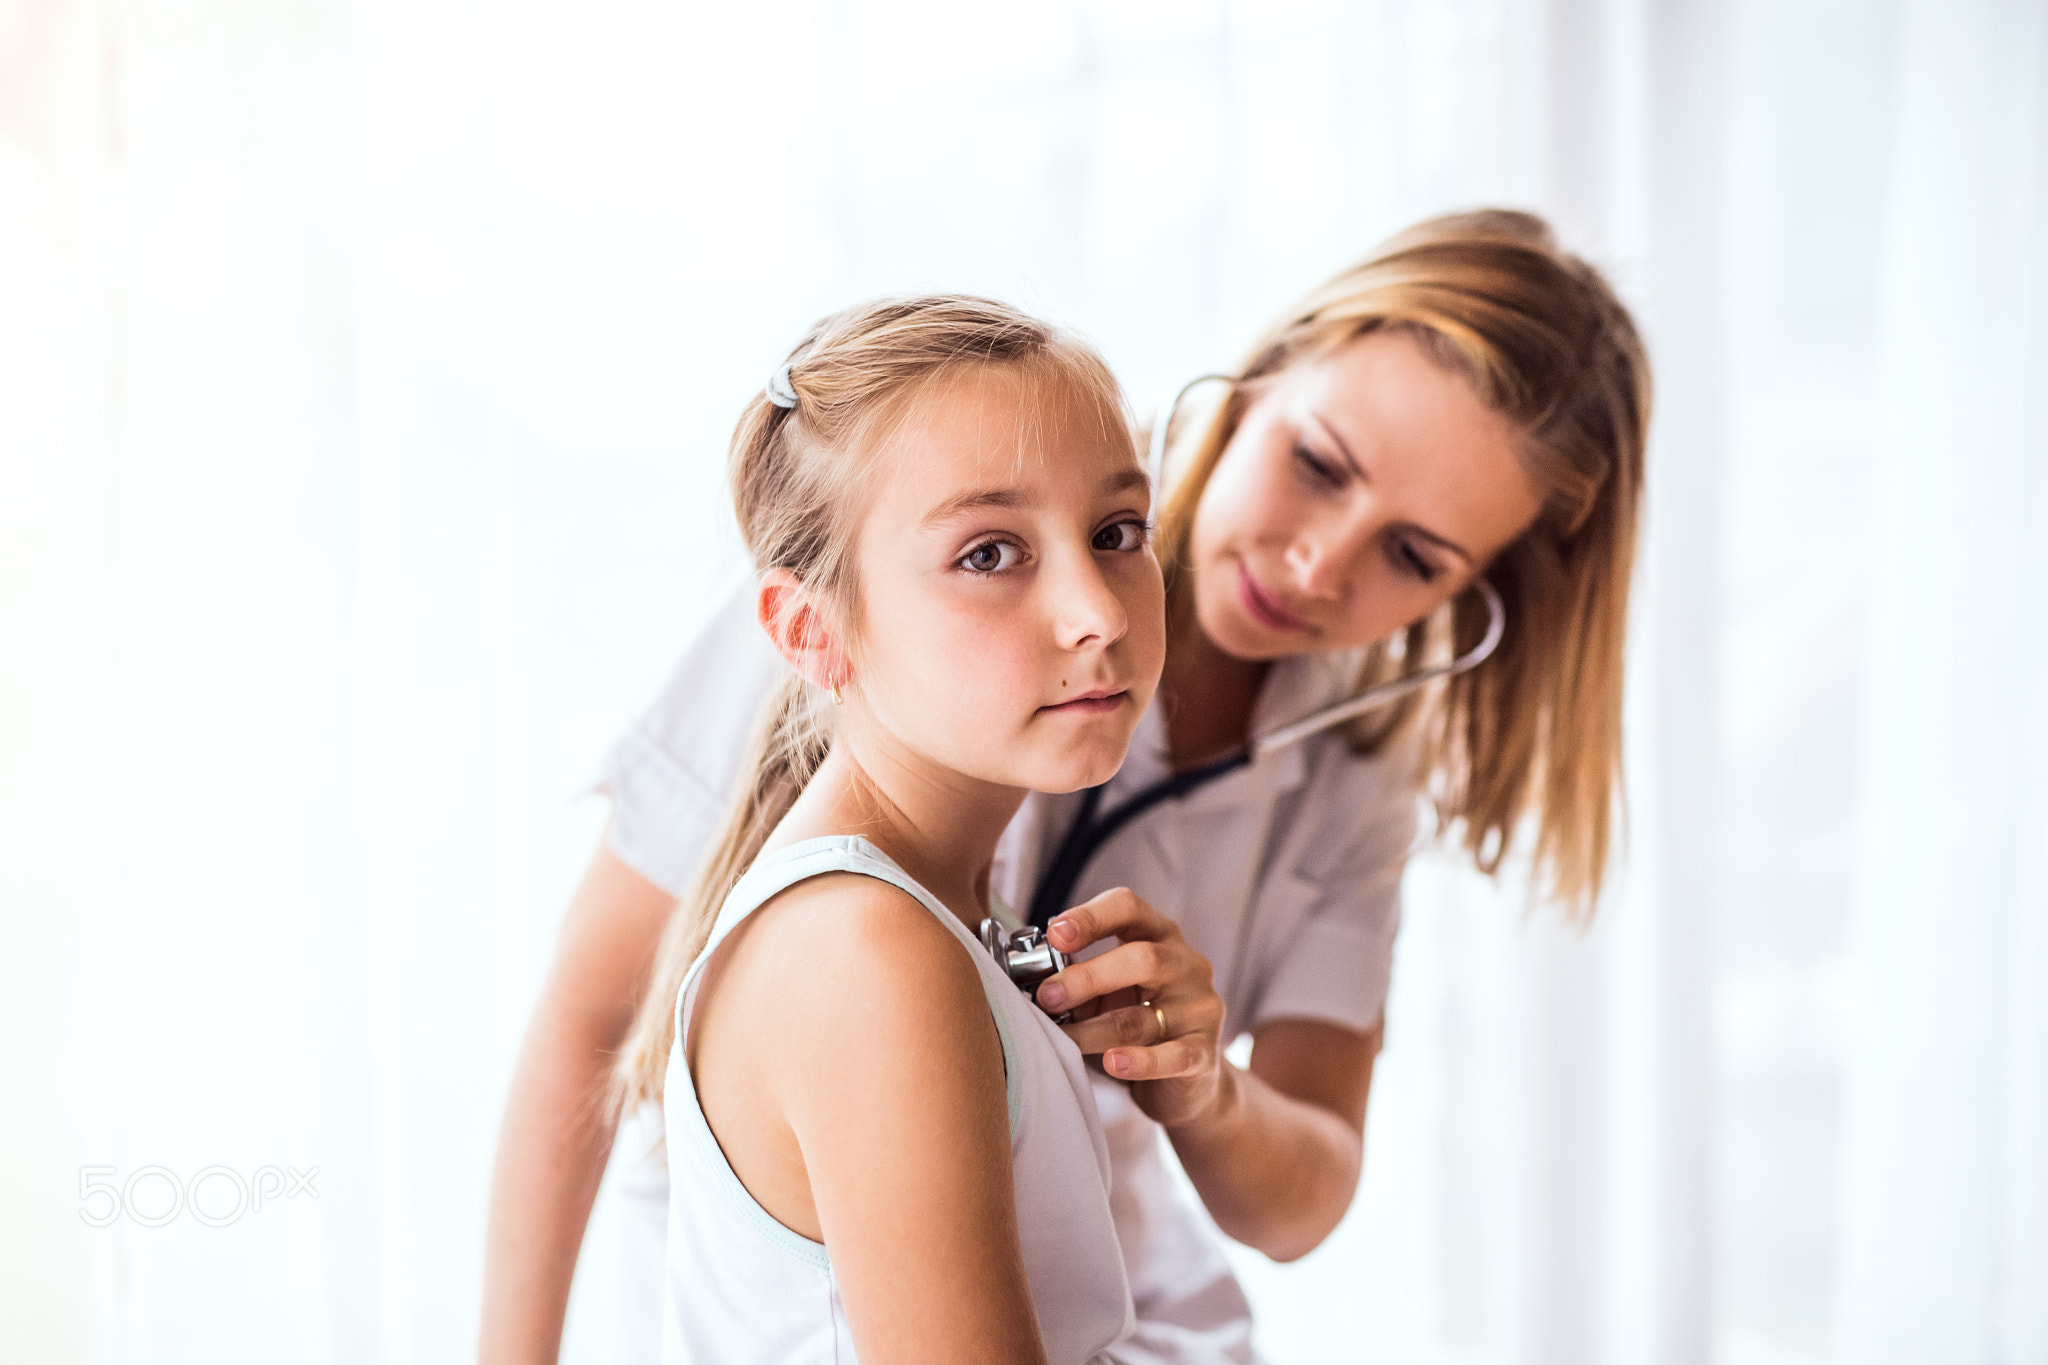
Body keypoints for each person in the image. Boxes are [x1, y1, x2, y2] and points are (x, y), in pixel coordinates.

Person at [478, 209, 1650, 1365]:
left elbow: (1300, 1194)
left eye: (1412, 557)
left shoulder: (1346, 780)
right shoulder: (889, 542)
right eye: (1317, 465)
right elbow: (592, 1015)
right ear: (1255, 383)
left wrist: (1202, 1084)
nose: (1316, 563)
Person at [641, 294, 1163, 1362]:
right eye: (987, 554)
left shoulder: (933, 911)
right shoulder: (863, 955)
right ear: (812, 630)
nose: (1099, 613)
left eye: (1116, 533)